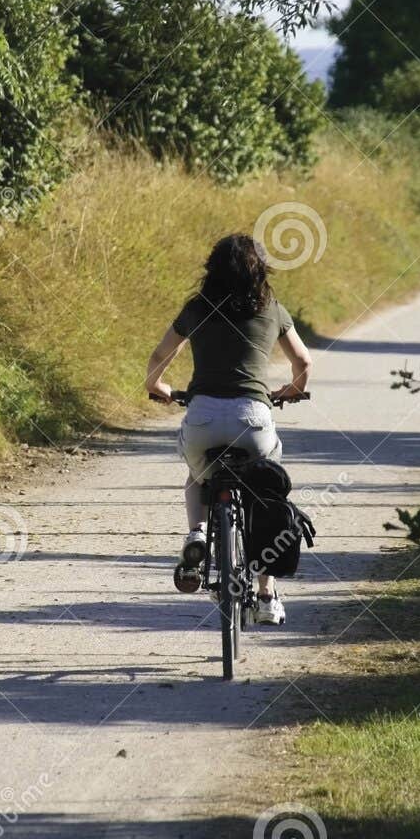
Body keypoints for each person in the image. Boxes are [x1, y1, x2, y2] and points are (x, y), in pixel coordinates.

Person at [144, 233, 312, 624]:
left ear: (212, 270)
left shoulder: (197, 308)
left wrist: (159, 388)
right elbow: (303, 362)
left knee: (196, 474)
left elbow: (158, 356)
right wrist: (289, 391)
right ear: (261, 272)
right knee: (267, 490)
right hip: (253, 420)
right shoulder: (272, 309)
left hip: (203, 416)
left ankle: (197, 533)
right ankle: (267, 594)